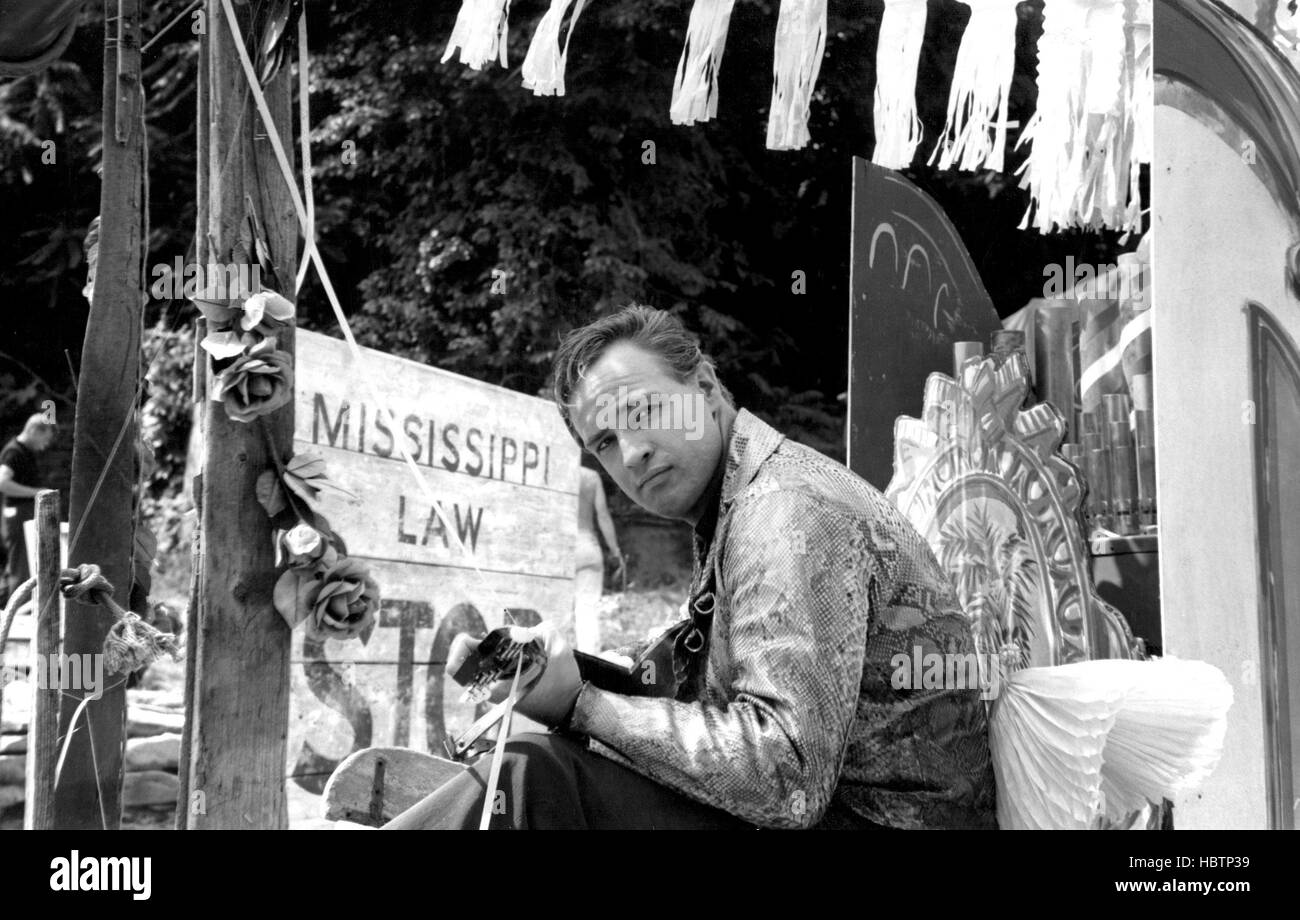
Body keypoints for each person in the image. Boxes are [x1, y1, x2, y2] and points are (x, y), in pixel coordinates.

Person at [385, 306, 996, 829]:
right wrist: (567, 675)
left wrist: (582, 705)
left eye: (645, 410)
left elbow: (786, 779)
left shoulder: (786, 509)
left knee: (532, 779)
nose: (632, 451)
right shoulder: (739, 501)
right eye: (604, 443)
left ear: (703, 385)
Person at [1, 413, 56, 599]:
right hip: (16, 513)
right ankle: (17, 604)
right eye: (45, 438)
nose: (45, 445)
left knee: (27, 557)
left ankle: (22, 602)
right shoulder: (14, 452)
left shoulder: (25, 451)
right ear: (33, 430)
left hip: (23, 513)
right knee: (20, 560)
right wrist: (36, 492)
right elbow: (2, 483)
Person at [571, 465, 623, 653]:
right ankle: (589, 665)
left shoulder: (555, 469)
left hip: (560, 549)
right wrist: (614, 550)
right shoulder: (591, 477)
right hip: (587, 546)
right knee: (586, 611)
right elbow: (602, 515)